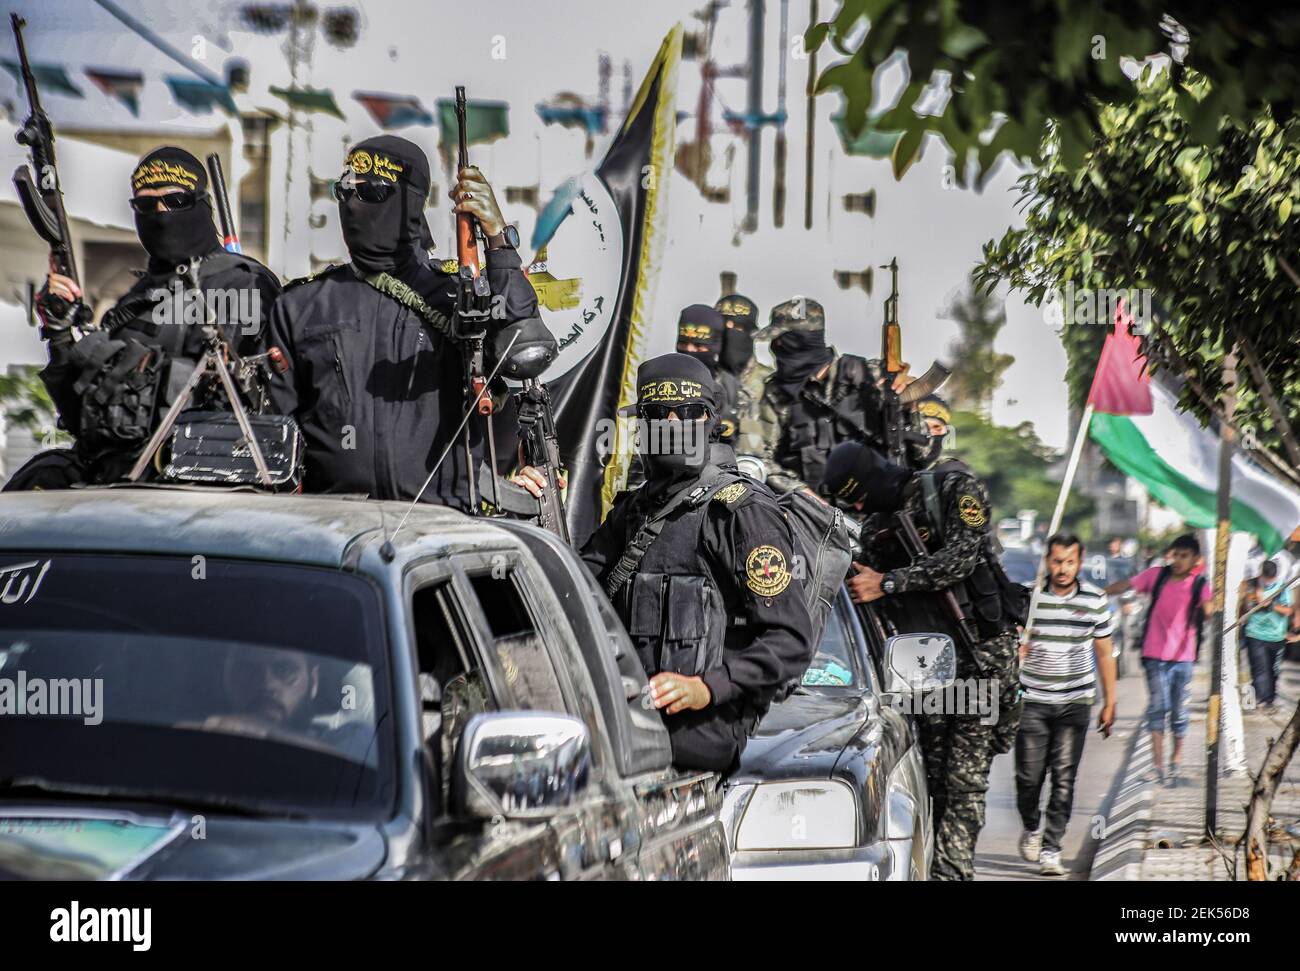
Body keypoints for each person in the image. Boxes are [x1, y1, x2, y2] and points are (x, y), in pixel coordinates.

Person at [266, 135, 556, 507]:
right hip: (330, 531)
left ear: (412, 202)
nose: (354, 203)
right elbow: (273, 431)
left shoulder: (457, 295)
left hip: (440, 527)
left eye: (371, 191)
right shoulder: (301, 304)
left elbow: (524, 347)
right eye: (345, 190)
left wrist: (497, 239)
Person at [580, 353, 813, 774]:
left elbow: (790, 641)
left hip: (705, 732)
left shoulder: (740, 512)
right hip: (634, 717)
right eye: (656, 414)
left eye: (686, 412)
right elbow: (574, 591)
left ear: (709, 420)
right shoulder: (635, 509)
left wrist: (707, 687)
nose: (671, 424)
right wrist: (533, 507)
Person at [16, 146, 281, 488]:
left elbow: (262, 403)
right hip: (113, 484)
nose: (161, 213)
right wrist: (59, 331)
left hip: (195, 487)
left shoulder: (243, 283)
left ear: (202, 204)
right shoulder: (133, 301)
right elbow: (82, 417)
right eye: (145, 205)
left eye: (176, 201)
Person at [824, 440, 1021, 881]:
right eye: (850, 501)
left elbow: (961, 558)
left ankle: (953, 875)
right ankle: (934, 866)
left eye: (859, 494)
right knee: (932, 778)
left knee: (964, 782)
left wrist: (890, 583)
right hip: (925, 667)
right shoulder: (876, 527)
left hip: (981, 657)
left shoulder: (954, 488)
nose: (858, 505)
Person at [1016, 534, 1117, 876]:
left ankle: (1051, 847)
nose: (1062, 569)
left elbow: (1104, 652)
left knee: (1063, 777)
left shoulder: (1094, 599)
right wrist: (1018, 649)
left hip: (1075, 701)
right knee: (1029, 778)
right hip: (1032, 700)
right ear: (1047, 560)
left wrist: (1110, 701)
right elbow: (1012, 640)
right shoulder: (1030, 597)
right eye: (1057, 561)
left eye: (1069, 562)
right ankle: (1031, 826)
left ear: (1081, 561)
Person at [749, 296, 922, 495]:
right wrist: (801, 494)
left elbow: (921, 454)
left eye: (780, 341)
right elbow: (761, 461)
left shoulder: (870, 377)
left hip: (877, 506)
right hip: (812, 516)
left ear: (801, 341)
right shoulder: (776, 393)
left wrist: (911, 407)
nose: (774, 349)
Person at [1105, 533, 1212, 785]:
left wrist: (1214, 608)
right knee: (1158, 707)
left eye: (1184, 556)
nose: (1178, 560)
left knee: (1178, 711)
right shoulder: (1157, 576)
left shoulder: (1199, 584)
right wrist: (1097, 593)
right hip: (1154, 655)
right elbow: (1128, 585)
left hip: (1183, 659)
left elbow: (1208, 611)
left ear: (1196, 559)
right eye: (1175, 555)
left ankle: (1176, 760)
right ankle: (1157, 765)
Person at [714, 293, 772, 463]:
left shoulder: (769, 383)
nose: (730, 334)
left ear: (752, 333)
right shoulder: (704, 379)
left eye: (738, 327)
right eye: (724, 326)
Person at [674, 304, 739, 443]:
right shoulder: (663, 379)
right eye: (683, 344)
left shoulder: (729, 386)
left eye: (698, 346)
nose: (689, 350)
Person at [1240, 559, 1292, 710]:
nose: (1268, 581)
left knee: (1272, 670)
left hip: (1276, 636)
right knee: (1259, 668)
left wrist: (1271, 605)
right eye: (1266, 578)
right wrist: (1253, 597)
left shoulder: (1282, 587)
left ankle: (1269, 698)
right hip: (1255, 633)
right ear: (1261, 574)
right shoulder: (1252, 585)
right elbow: (1245, 607)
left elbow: (1288, 611)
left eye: (1271, 578)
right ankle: (1259, 699)